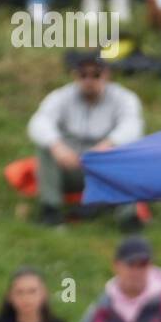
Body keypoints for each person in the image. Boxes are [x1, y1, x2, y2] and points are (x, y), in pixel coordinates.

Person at [27, 52, 144, 225]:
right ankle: (51, 211)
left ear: (106, 75)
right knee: (45, 148)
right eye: (83, 75)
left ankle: (127, 218)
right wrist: (57, 146)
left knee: (131, 154)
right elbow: (38, 122)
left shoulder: (124, 98)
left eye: (95, 74)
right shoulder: (61, 97)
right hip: (72, 166)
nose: (89, 80)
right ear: (75, 76)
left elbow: (133, 127)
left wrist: (108, 144)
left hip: (106, 169)